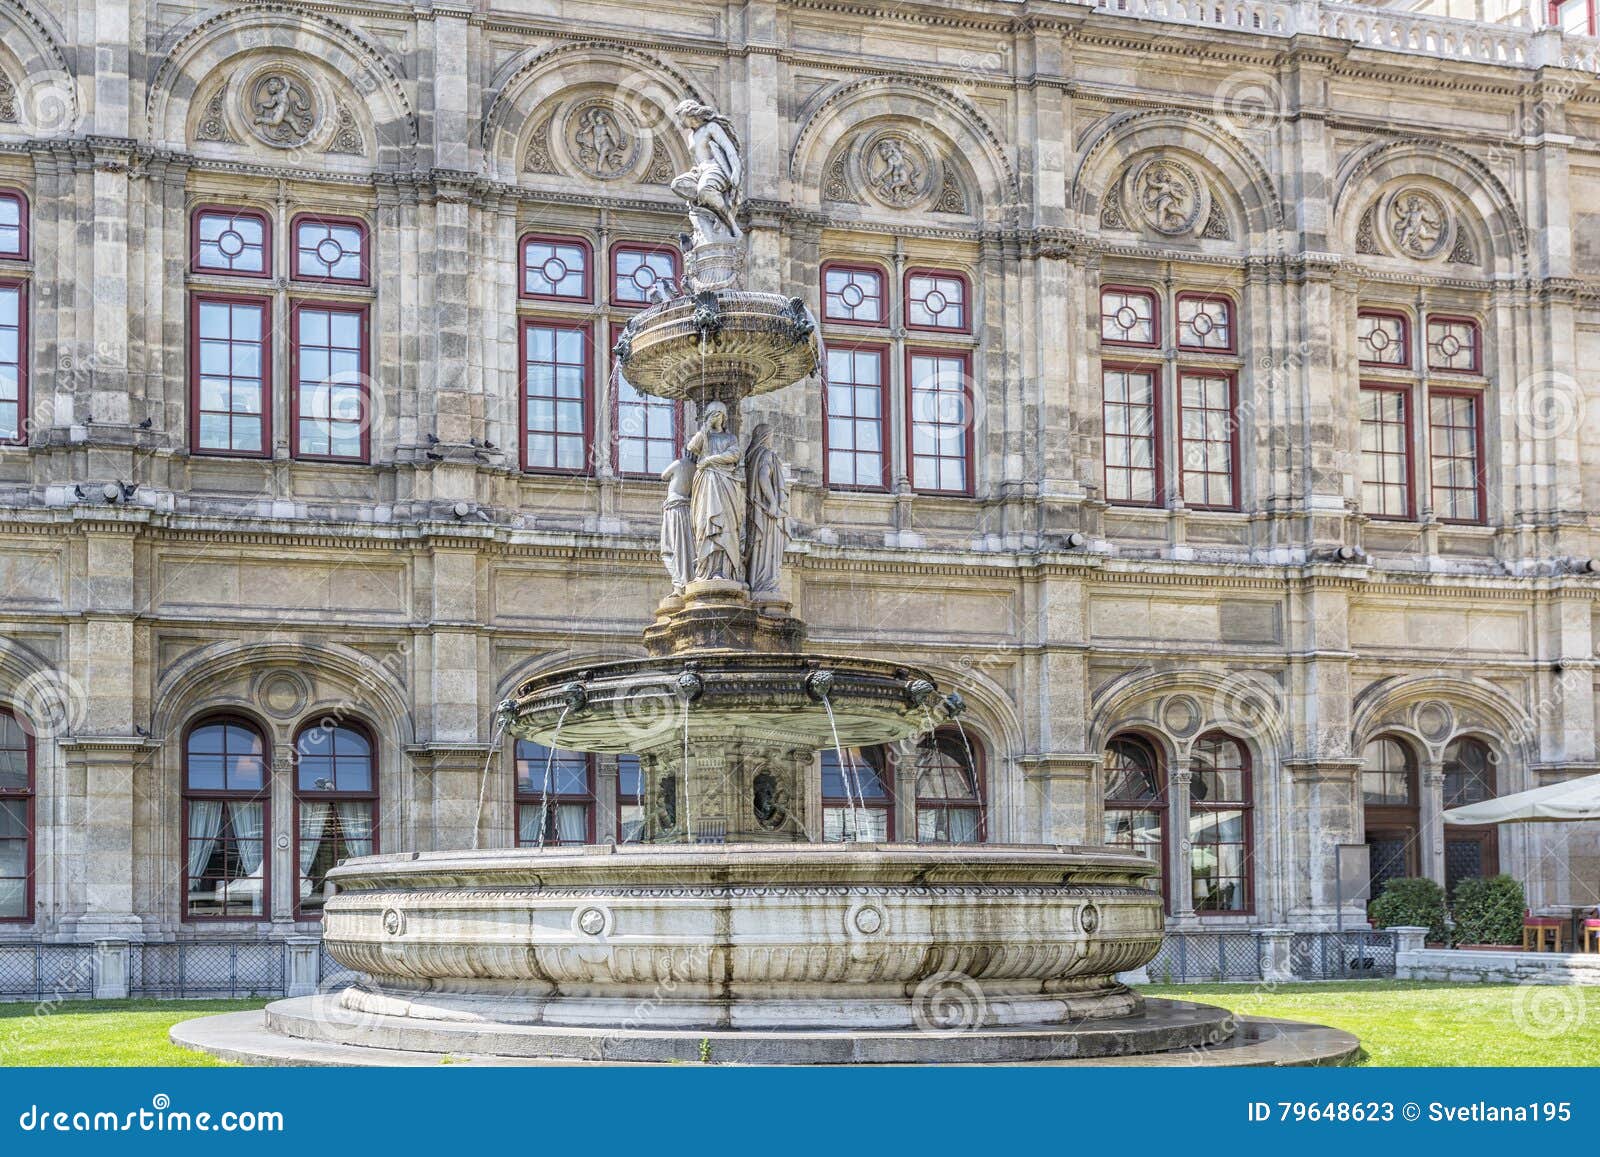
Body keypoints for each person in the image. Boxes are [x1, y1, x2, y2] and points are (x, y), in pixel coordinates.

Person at [685, 402, 745, 583]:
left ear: (725, 416)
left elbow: (734, 455)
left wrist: (710, 460)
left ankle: (724, 570)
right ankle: (705, 569)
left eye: (720, 413)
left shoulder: (730, 438)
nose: (717, 416)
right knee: (706, 524)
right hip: (706, 483)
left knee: (725, 525)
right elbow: (691, 447)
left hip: (726, 483)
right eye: (713, 414)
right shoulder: (705, 437)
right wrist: (705, 427)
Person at [744, 423, 786, 597]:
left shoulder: (751, 457)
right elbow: (763, 476)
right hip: (767, 511)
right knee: (767, 546)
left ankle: (755, 580)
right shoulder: (766, 454)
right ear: (766, 437)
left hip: (755, 510)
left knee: (757, 545)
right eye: (771, 436)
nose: (772, 440)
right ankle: (765, 583)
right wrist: (773, 502)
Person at [659, 456, 694, 594]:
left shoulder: (680, 464)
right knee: (685, 547)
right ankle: (684, 579)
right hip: (687, 508)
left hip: (673, 508)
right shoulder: (696, 469)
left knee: (668, 549)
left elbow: (664, 475)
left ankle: (679, 582)